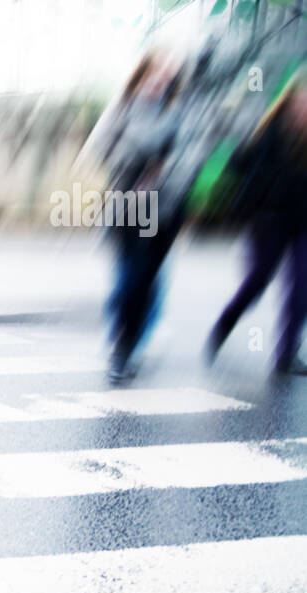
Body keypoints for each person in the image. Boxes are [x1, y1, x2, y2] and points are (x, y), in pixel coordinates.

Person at [95, 54, 190, 385]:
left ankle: (132, 341)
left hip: (166, 207)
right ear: (142, 74)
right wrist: (140, 157)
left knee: (148, 280)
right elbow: (100, 148)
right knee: (130, 278)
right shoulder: (122, 108)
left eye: (168, 73)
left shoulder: (179, 113)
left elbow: (187, 157)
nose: (160, 79)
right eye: (155, 71)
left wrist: (162, 171)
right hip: (128, 204)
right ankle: (121, 349)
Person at [207, 71, 307, 376]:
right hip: (270, 220)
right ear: (289, 103)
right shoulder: (266, 133)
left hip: (303, 223)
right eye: (301, 102)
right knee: (257, 282)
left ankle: (286, 355)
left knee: (301, 288)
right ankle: (226, 321)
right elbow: (237, 166)